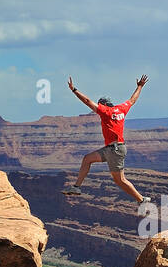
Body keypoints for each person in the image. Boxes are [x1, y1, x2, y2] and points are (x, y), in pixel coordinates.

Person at [63, 75, 153, 206]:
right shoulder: (121, 109)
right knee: (87, 159)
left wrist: (74, 89)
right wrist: (139, 86)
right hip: (111, 149)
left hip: (115, 150)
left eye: (99, 105)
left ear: (103, 104)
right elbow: (132, 100)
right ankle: (76, 187)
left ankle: (141, 199)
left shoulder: (105, 111)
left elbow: (88, 101)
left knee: (120, 180)